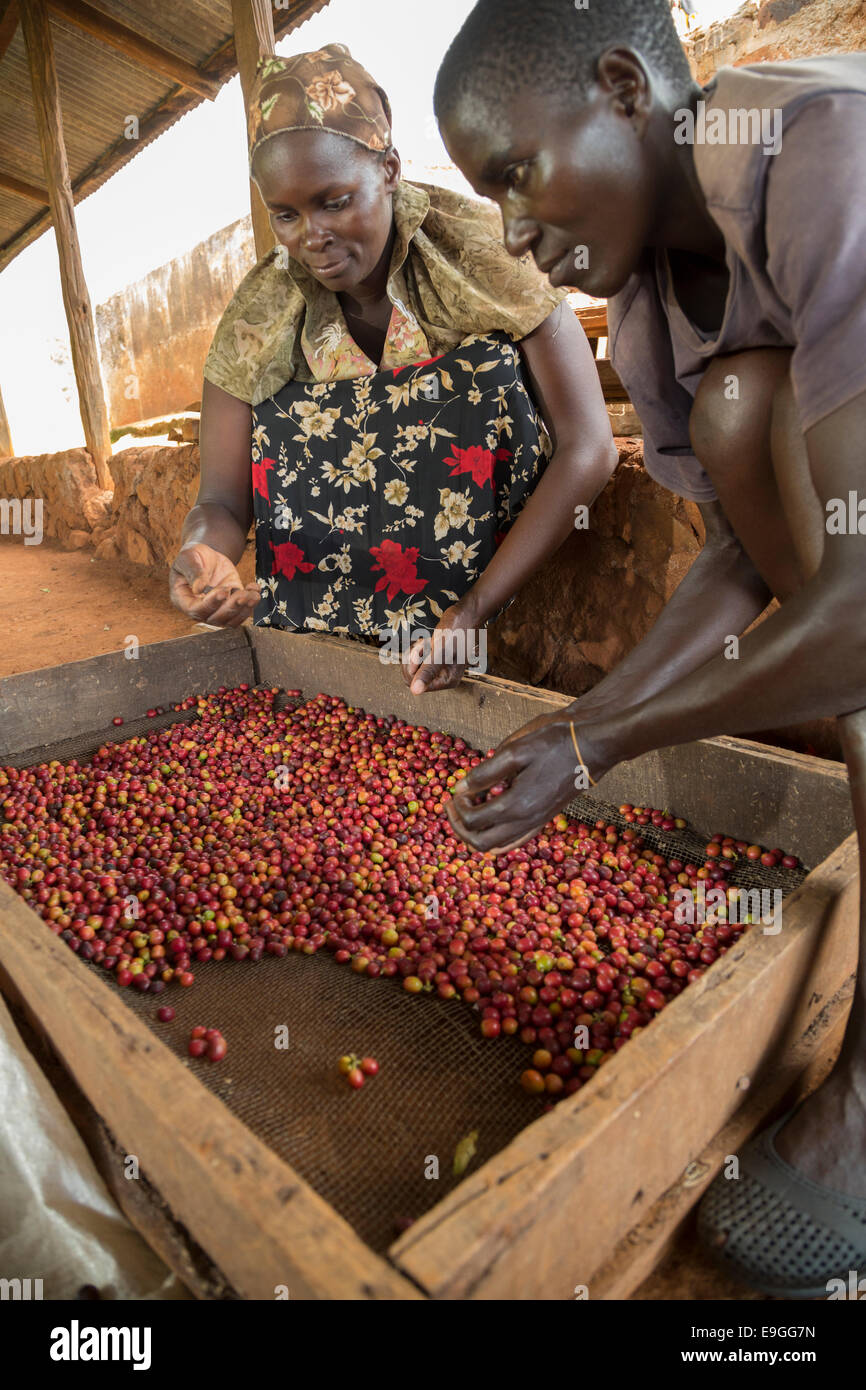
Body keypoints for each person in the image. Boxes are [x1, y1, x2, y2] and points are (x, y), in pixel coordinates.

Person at [434, 0, 866, 1295]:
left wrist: (607, 738)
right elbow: (737, 555)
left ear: (623, 86)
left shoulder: (819, 151)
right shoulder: (645, 315)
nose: (511, 231)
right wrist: (577, 730)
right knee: (738, 408)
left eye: (514, 173)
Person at [170, 43, 617, 695]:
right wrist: (203, 553)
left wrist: (473, 612)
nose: (311, 236)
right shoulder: (259, 314)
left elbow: (590, 446)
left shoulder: (486, 257)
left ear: (389, 170)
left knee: (483, 369)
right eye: (286, 215)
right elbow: (219, 501)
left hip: (485, 609)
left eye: (334, 201)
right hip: (314, 629)